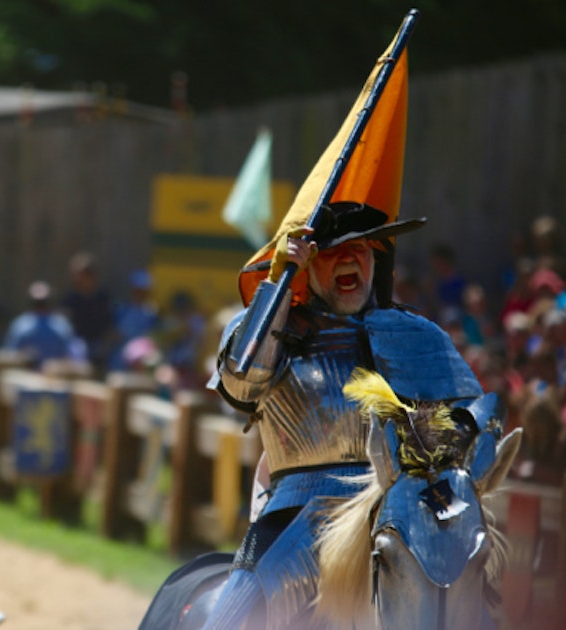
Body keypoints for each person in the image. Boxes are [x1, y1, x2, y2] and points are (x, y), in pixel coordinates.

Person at [142, 202, 497, 629]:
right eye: (331, 252)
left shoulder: (418, 334)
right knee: (230, 620)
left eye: (360, 248)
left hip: (407, 511)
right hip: (300, 512)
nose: (349, 259)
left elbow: (476, 413)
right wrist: (278, 284)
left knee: (475, 595)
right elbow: (240, 382)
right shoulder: (274, 328)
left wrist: (457, 445)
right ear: (308, 265)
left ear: (375, 257)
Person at [4, 280, 84, 369]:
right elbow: (77, 356)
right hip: (53, 375)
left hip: (31, 376)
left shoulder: (20, 325)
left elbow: (9, 356)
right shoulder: (62, 325)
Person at [60, 251, 115, 373]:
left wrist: (104, 347)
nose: (77, 279)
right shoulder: (69, 300)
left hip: (98, 345)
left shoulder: (102, 298)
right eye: (75, 275)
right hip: (76, 346)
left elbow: (109, 327)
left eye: (81, 275)